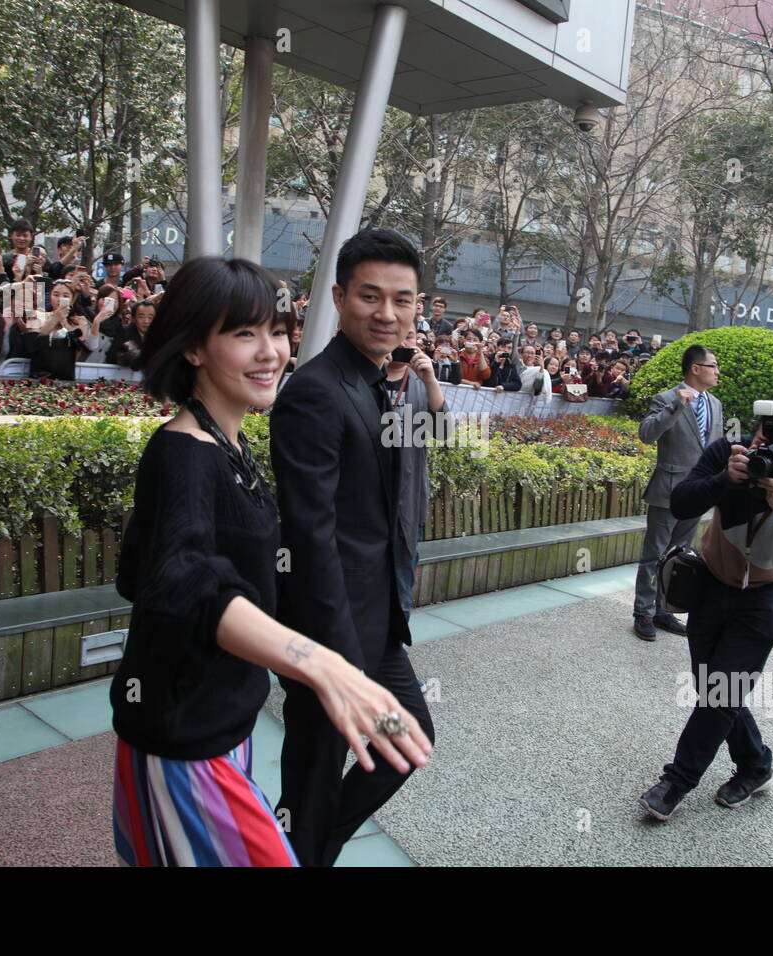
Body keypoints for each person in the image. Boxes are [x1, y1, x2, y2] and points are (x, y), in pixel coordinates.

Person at [111, 255, 429, 867]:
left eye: (277, 333)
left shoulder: (227, 442)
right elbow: (182, 577)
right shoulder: (184, 452)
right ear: (195, 349)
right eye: (243, 334)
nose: (270, 353)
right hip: (184, 738)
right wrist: (320, 662)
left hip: (221, 725)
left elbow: (143, 572)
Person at [270, 227, 436, 867]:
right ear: (338, 298)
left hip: (376, 623)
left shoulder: (371, 380)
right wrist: (336, 660)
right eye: (371, 296)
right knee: (310, 779)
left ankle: (309, 850)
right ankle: (303, 848)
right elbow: (310, 538)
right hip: (329, 632)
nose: (387, 313)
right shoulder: (315, 390)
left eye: (403, 299)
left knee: (409, 737)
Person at [639, 402, 773, 821]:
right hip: (712, 582)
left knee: (721, 691)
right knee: (715, 686)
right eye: (764, 441)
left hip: (767, 596)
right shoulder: (730, 455)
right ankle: (756, 765)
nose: (766, 454)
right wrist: (724, 479)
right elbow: (680, 504)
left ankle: (676, 782)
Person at [632, 345, 724, 640]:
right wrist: (677, 407)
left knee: (678, 555)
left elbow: (715, 447)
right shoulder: (667, 398)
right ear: (696, 368)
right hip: (668, 490)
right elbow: (647, 434)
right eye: (713, 366)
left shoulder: (716, 404)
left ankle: (663, 610)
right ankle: (642, 612)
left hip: (697, 493)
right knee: (654, 554)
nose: (717, 371)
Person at [382, 328, 447, 619]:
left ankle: (394, 645)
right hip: (363, 501)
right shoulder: (361, 379)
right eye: (396, 336)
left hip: (406, 501)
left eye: (409, 337)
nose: (404, 343)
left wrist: (431, 380)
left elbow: (443, 432)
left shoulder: (421, 385)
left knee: (401, 576)